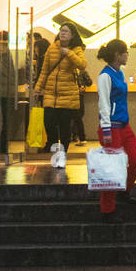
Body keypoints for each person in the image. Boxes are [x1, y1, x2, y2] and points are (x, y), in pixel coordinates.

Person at [96, 38, 136, 222]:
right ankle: (107, 209)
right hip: (111, 127)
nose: (127, 55)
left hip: (124, 125)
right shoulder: (105, 76)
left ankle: (124, 190)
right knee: (112, 169)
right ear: (117, 55)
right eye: (125, 53)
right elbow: (104, 103)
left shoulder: (119, 73)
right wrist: (106, 129)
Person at [34, 23, 87, 165]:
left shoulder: (76, 49)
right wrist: (38, 88)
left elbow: (82, 64)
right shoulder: (52, 48)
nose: (62, 33)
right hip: (51, 93)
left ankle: (62, 155)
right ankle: (53, 150)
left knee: (64, 128)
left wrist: (68, 53)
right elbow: (44, 70)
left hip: (68, 94)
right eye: (61, 31)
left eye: (66, 31)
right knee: (49, 122)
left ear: (72, 35)